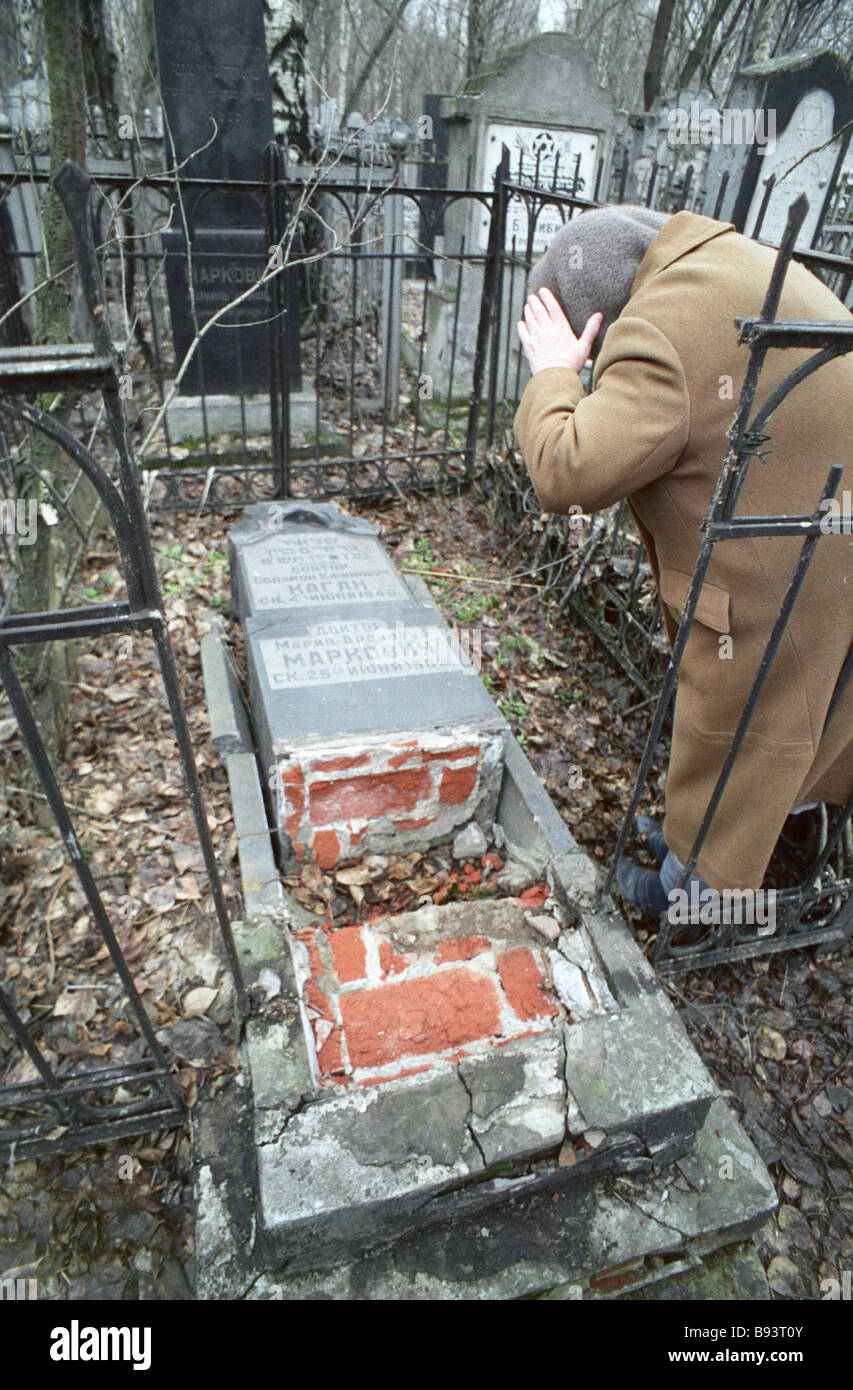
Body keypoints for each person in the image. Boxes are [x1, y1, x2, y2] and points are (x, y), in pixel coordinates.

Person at [513, 204, 853, 924]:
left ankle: (695, 892)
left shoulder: (654, 331)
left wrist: (552, 374)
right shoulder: (737, 264)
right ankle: (767, 836)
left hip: (781, 566)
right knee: (808, 715)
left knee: (737, 721)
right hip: (826, 537)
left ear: (593, 326)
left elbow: (565, 471)